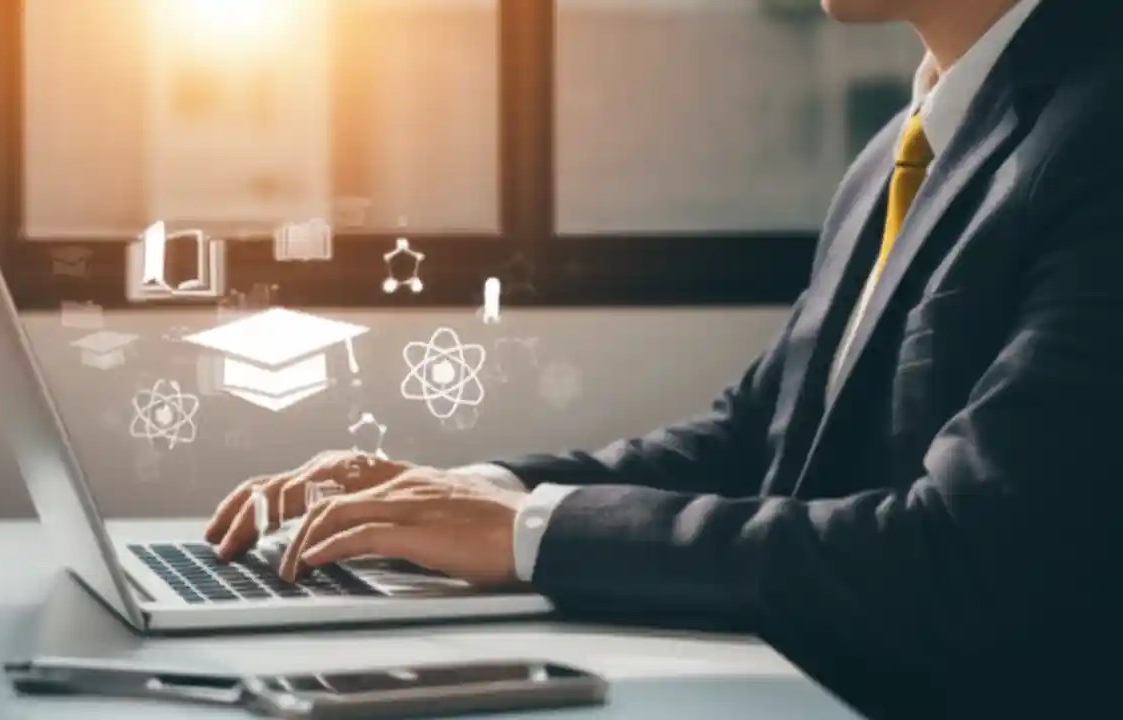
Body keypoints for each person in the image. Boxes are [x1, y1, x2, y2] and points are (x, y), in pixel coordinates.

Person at [205, 0, 1123, 715]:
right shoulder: (908, 141)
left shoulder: (1098, 131)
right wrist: (466, 492)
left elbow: (969, 559)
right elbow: (755, 434)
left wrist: (535, 536)